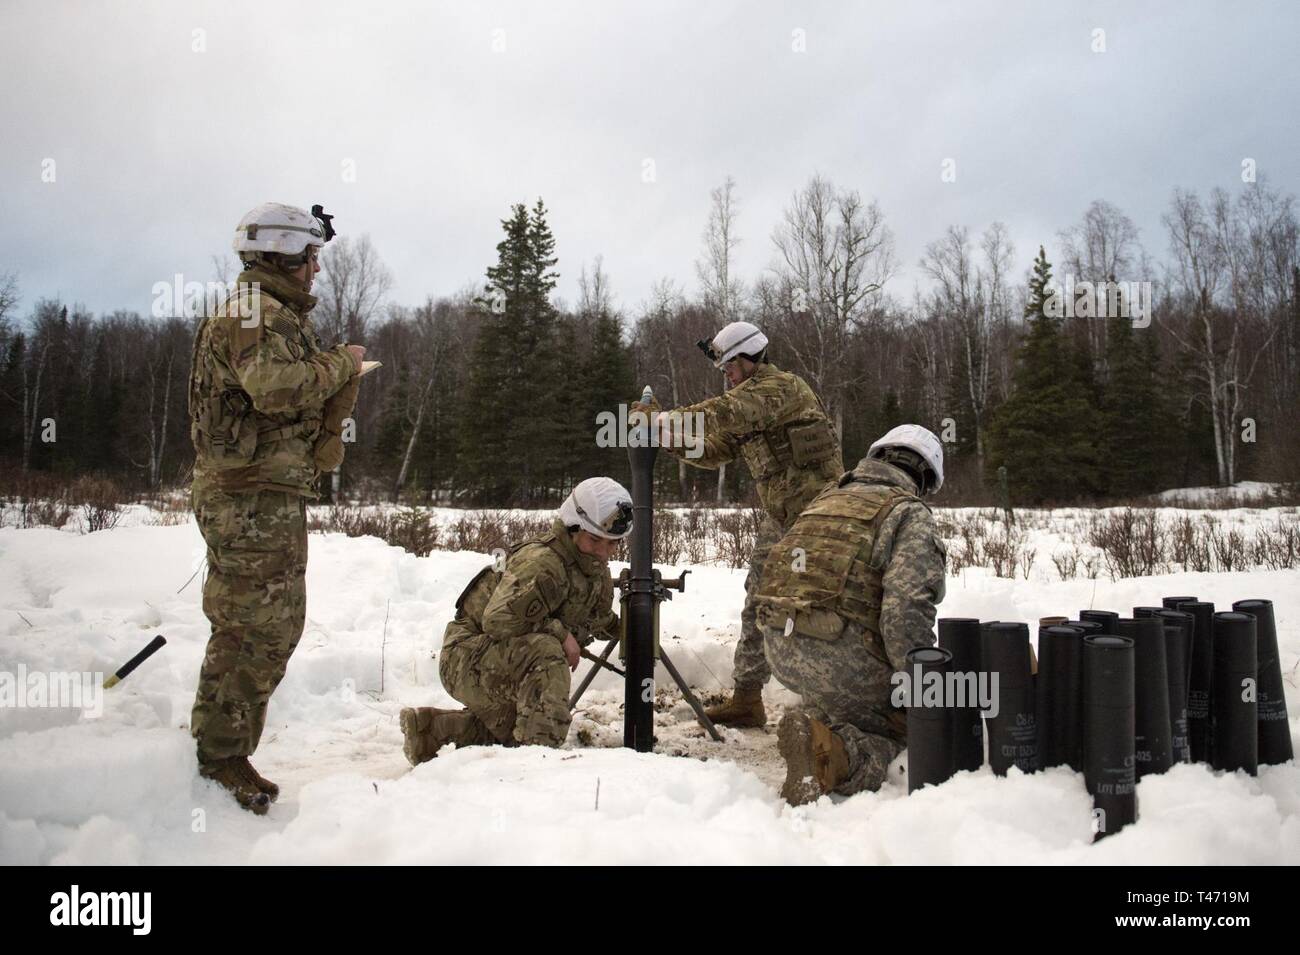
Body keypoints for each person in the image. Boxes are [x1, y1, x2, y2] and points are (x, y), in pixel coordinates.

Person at [188, 201, 366, 814]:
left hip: (265, 495)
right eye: (311, 257)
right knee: (250, 628)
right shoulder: (252, 313)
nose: (316, 270)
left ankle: (225, 753)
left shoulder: (271, 314)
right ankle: (217, 761)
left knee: (273, 627)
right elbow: (274, 387)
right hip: (247, 500)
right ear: (285, 255)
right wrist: (342, 361)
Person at [633, 321, 841, 729]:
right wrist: (666, 437)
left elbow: (723, 413)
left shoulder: (779, 389)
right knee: (757, 601)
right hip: (782, 519)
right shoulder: (748, 400)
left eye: (729, 367)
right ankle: (747, 698)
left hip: (820, 516)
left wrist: (661, 420)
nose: (726, 376)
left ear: (749, 359)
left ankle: (833, 706)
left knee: (817, 606)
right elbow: (715, 450)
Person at [753, 425, 948, 804]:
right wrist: (919, 694)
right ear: (922, 476)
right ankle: (835, 755)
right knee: (904, 737)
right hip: (844, 661)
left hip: (781, 650)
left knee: (844, 696)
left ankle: (823, 716)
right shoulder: (908, 514)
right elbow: (904, 614)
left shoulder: (823, 499)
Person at [400, 477, 630, 763]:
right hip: (464, 657)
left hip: (500, 656)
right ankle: (534, 762)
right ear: (573, 528)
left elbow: (598, 618)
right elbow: (498, 621)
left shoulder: (592, 568)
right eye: (595, 540)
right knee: (546, 657)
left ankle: (431, 730)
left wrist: (629, 630)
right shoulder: (543, 562)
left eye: (612, 544)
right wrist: (561, 634)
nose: (603, 552)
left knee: (515, 729)